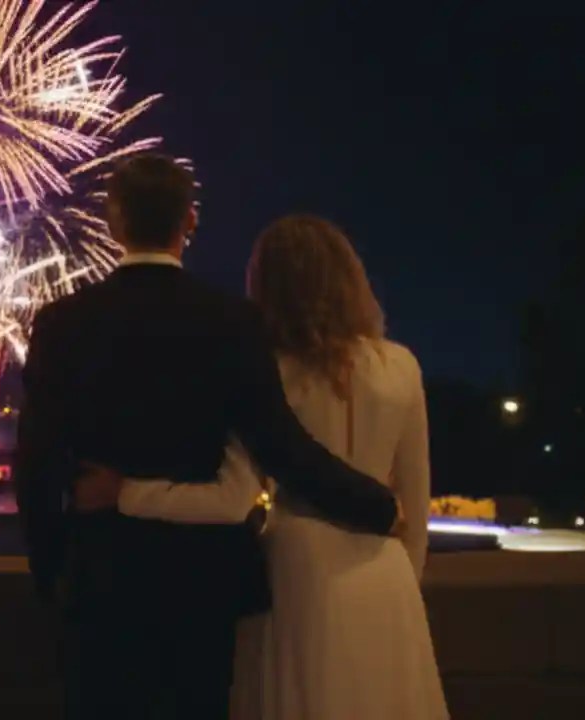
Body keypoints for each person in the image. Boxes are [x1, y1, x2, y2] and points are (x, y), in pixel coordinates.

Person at [14, 155, 402, 720]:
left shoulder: (62, 322)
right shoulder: (233, 322)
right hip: (202, 587)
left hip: (101, 579)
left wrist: (52, 569)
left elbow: (36, 460)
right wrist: (378, 505)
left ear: (112, 222)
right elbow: (283, 448)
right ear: (189, 221)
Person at [78, 215, 448, 719]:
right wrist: (403, 587)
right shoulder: (402, 366)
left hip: (296, 572)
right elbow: (417, 507)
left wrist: (127, 492)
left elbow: (230, 499)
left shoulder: (264, 371)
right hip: (387, 579)